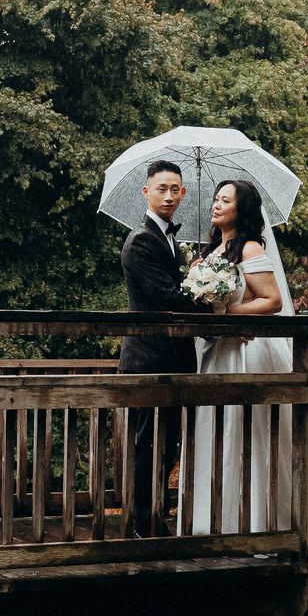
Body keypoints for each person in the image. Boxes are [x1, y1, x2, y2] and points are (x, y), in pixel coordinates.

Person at [184, 178, 297, 534]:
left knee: (248, 431)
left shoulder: (249, 249)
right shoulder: (207, 253)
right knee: (217, 429)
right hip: (216, 351)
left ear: (241, 209)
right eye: (215, 199)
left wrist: (231, 316)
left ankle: (257, 521)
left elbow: (273, 300)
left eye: (225, 200)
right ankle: (214, 519)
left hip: (246, 352)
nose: (216, 205)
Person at [117, 159, 195, 536]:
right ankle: (142, 524)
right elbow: (166, 297)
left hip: (171, 357)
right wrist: (210, 300)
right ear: (146, 192)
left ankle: (155, 516)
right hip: (148, 357)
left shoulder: (170, 239)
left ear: (182, 193)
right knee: (148, 443)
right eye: (161, 188)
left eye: (175, 189)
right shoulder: (141, 240)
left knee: (167, 443)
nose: (169, 195)